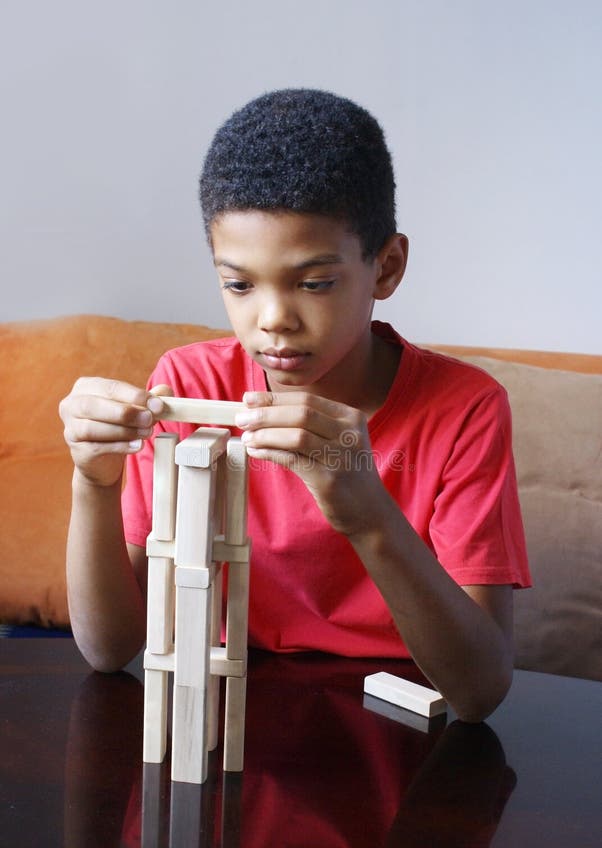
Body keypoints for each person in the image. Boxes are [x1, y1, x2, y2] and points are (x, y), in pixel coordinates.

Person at [59, 88, 530, 722]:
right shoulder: (188, 382)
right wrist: (93, 481)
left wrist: (368, 515)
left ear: (386, 268)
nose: (274, 320)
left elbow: (479, 692)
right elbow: (110, 648)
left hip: (398, 720)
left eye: (314, 283)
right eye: (239, 284)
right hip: (224, 711)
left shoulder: (463, 409)